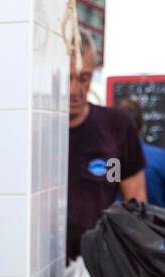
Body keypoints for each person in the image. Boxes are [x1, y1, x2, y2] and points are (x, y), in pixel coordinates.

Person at [67, 30, 146, 263]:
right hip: (42, 262)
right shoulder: (36, 129)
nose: (74, 90)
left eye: (83, 78)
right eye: (67, 78)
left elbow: (136, 201)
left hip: (99, 262)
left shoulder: (116, 127)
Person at [115, 97, 165, 207]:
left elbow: (109, 198)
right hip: (156, 222)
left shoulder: (110, 161)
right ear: (141, 125)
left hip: (117, 222)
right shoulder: (161, 158)